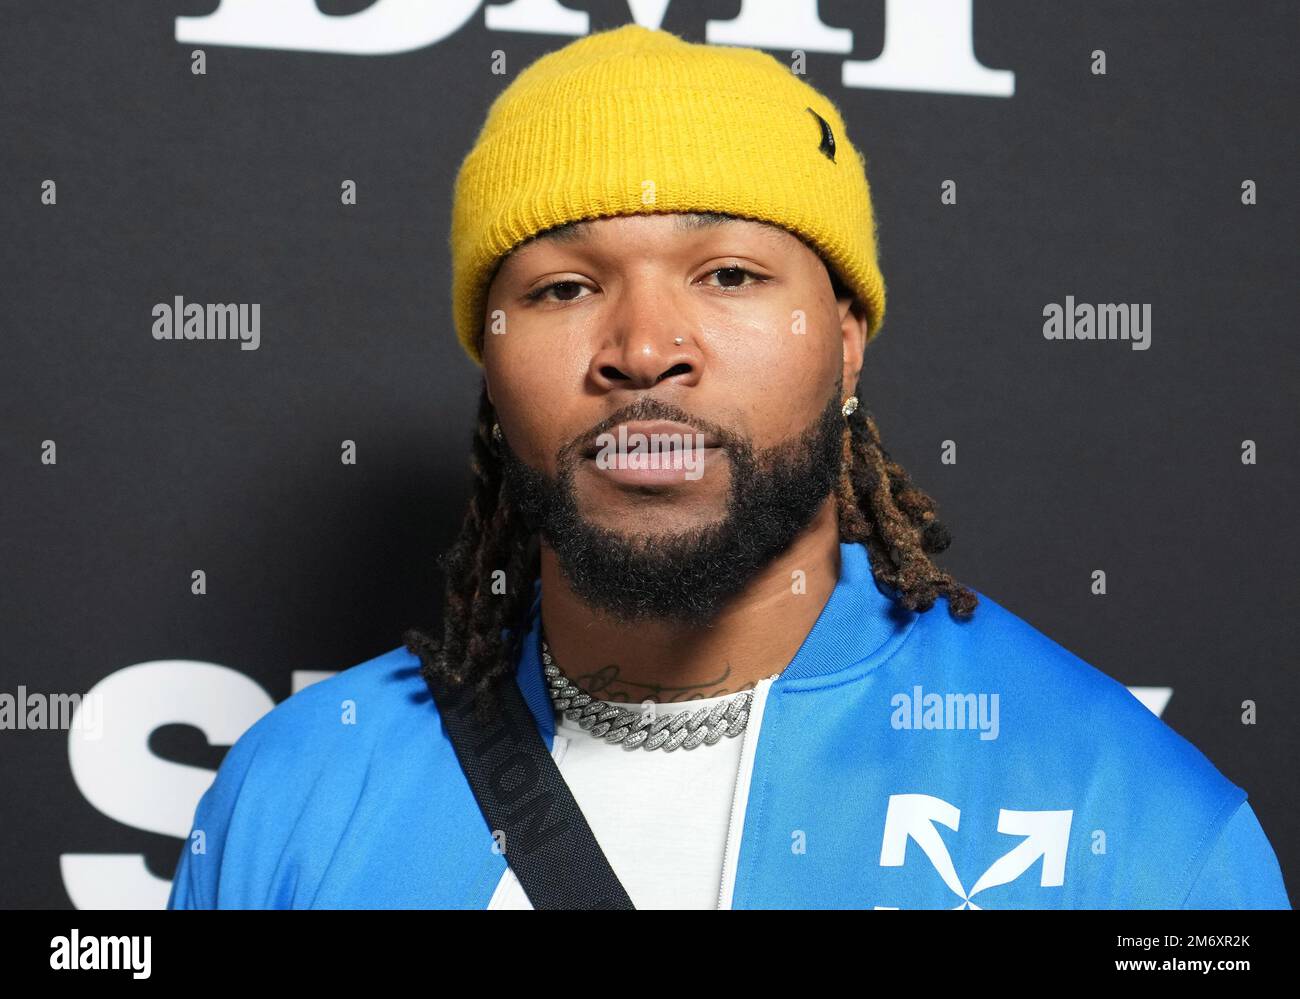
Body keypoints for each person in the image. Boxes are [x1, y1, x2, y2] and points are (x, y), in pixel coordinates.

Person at [167, 23, 1289, 910]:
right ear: (491, 369)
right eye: (563, 288)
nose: (646, 349)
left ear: (845, 342)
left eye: (731, 274)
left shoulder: (1131, 817)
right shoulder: (295, 790)